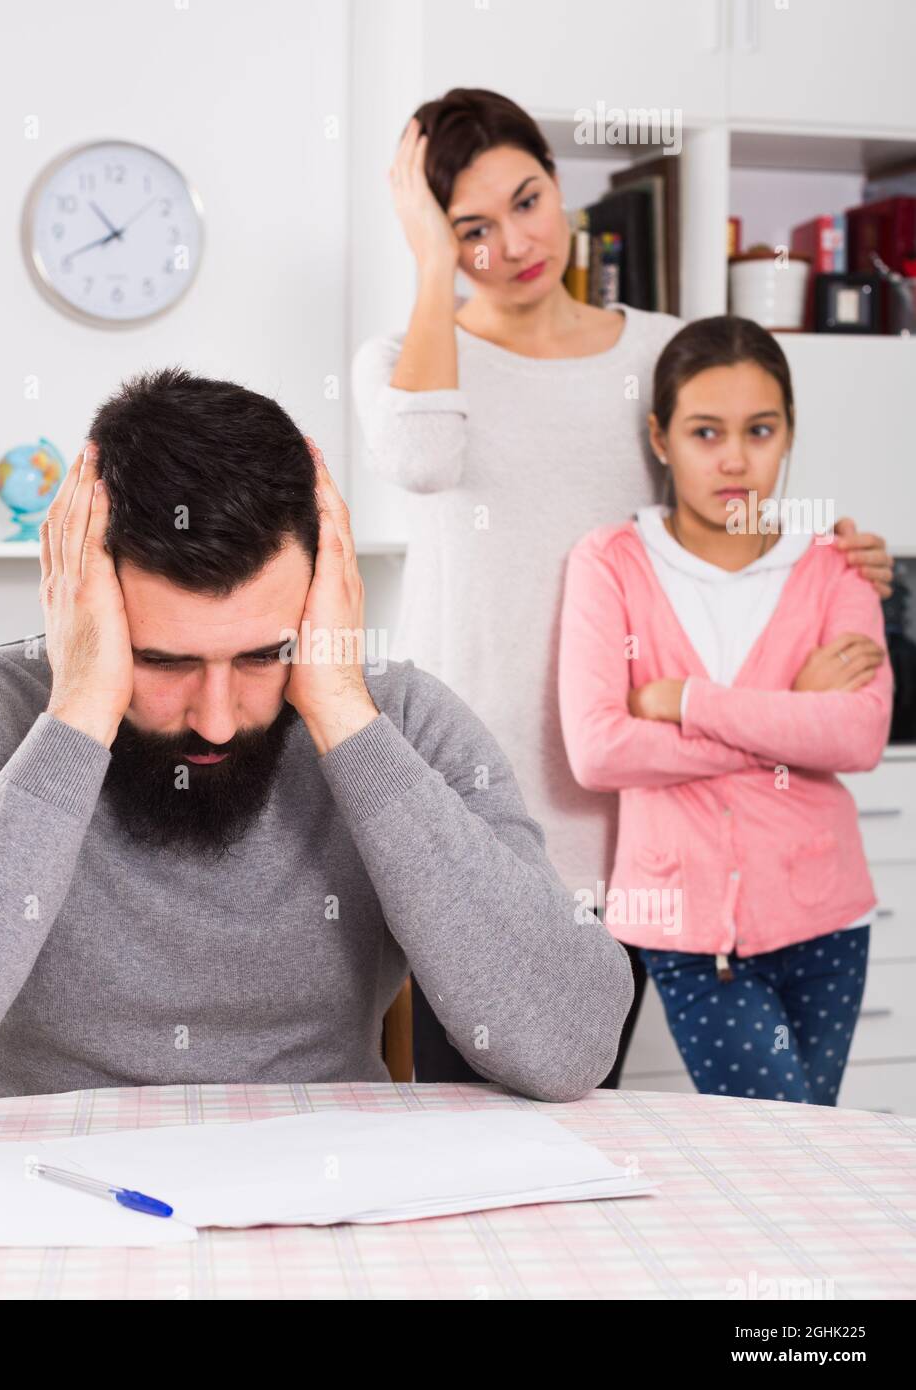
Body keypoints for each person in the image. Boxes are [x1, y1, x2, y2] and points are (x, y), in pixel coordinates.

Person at [0, 366, 633, 1134]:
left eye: (264, 654)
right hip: (38, 1211)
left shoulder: (394, 717)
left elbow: (569, 1045)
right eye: (162, 659)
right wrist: (78, 715)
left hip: (332, 1204)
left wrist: (340, 711)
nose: (218, 720)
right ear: (76, 597)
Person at [350, 86, 895, 1086]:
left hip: (638, 796)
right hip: (469, 799)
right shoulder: (405, 359)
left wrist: (828, 541)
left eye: (525, 201)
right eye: (468, 229)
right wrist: (432, 268)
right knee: (454, 1109)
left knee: (584, 1106)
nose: (512, 243)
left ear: (559, 185)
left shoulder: (652, 353)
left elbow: (727, 505)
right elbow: (422, 459)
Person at [557, 316, 893, 1103]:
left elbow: (858, 734)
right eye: (706, 432)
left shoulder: (835, 564)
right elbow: (600, 750)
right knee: (781, 1135)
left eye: (760, 430)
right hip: (682, 925)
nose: (736, 459)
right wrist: (788, 715)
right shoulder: (611, 563)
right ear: (661, 438)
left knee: (814, 1145)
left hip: (830, 918)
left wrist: (687, 702)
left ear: (789, 435)